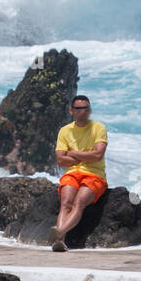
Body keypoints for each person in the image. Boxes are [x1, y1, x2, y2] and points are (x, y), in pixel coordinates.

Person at [48, 94, 108, 252]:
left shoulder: (98, 128)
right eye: (79, 108)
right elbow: (60, 160)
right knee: (66, 203)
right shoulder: (65, 131)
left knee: (79, 202)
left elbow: (98, 155)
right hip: (72, 173)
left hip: (94, 174)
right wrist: (83, 156)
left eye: (86, 108)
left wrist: (73, 153)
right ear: (71, 111)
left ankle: (59, 234)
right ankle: (60, 242)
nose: (83, 111)